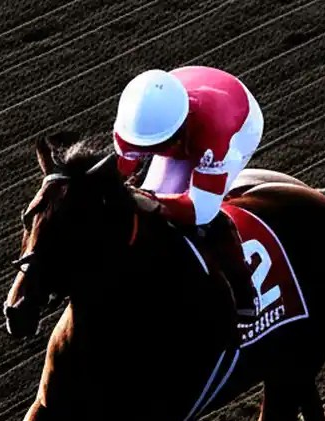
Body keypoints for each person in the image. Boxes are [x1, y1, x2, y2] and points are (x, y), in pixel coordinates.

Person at [113, 66, 265, 321]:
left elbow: (199, 209)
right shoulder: (131, 127)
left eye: (158, 147)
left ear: (179, 132)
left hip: (237, 127)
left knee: (199, 223)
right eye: (145, 147)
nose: (150, 152)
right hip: (187, 109)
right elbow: (121, 171)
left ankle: (243, 291)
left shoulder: (213, 133)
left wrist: (149, 200)